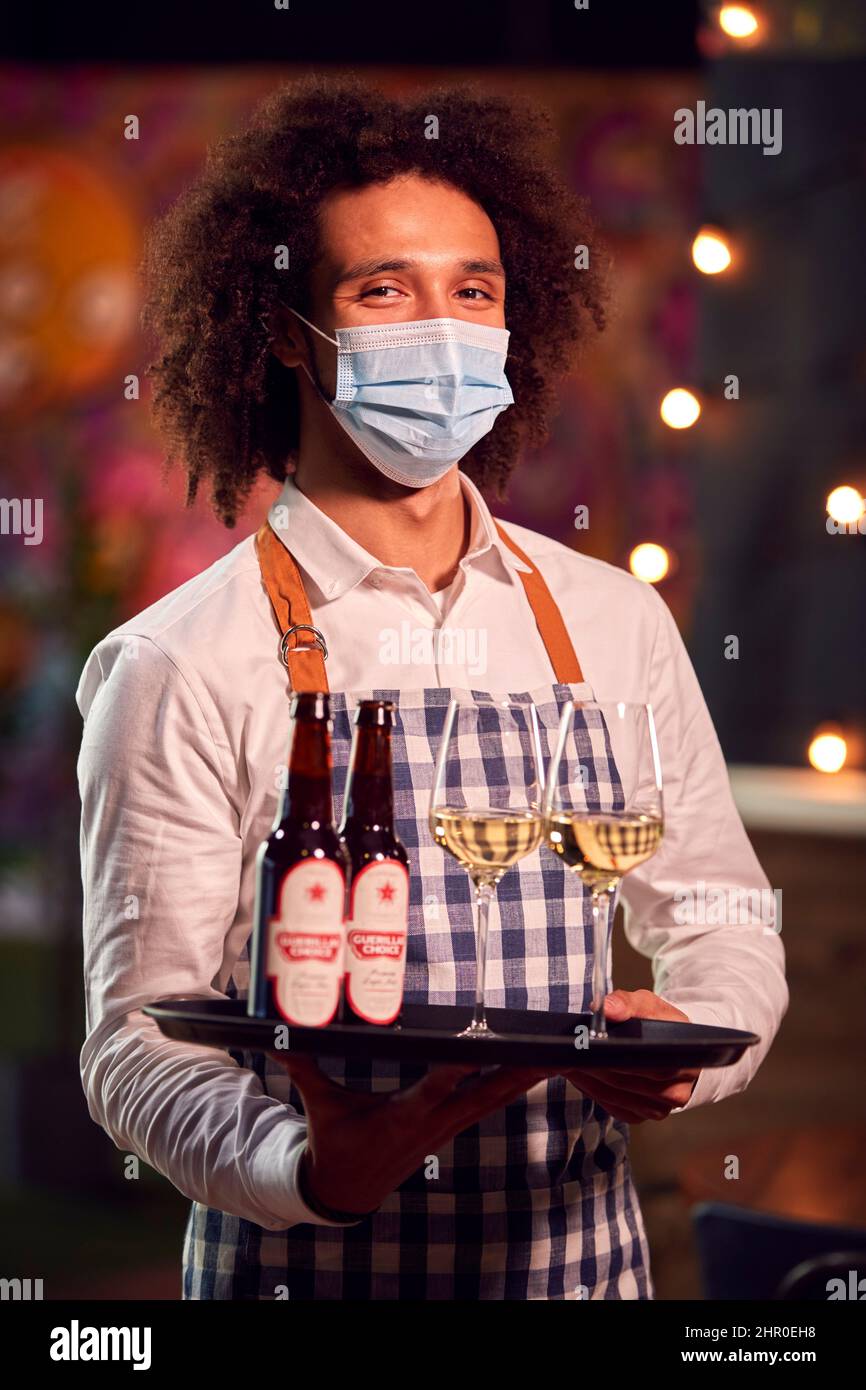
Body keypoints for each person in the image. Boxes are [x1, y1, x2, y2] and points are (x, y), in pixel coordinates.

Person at [76, 76, 787, 1301]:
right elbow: (135, 1041)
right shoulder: (178, 661)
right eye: (382, 290)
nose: (441, 330)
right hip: (303, 1268)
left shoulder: (612, 620)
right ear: (285, 332)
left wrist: (691, 1047)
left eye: (472, 291)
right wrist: (309, 1167)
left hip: (576, 1267)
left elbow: (722, 914)